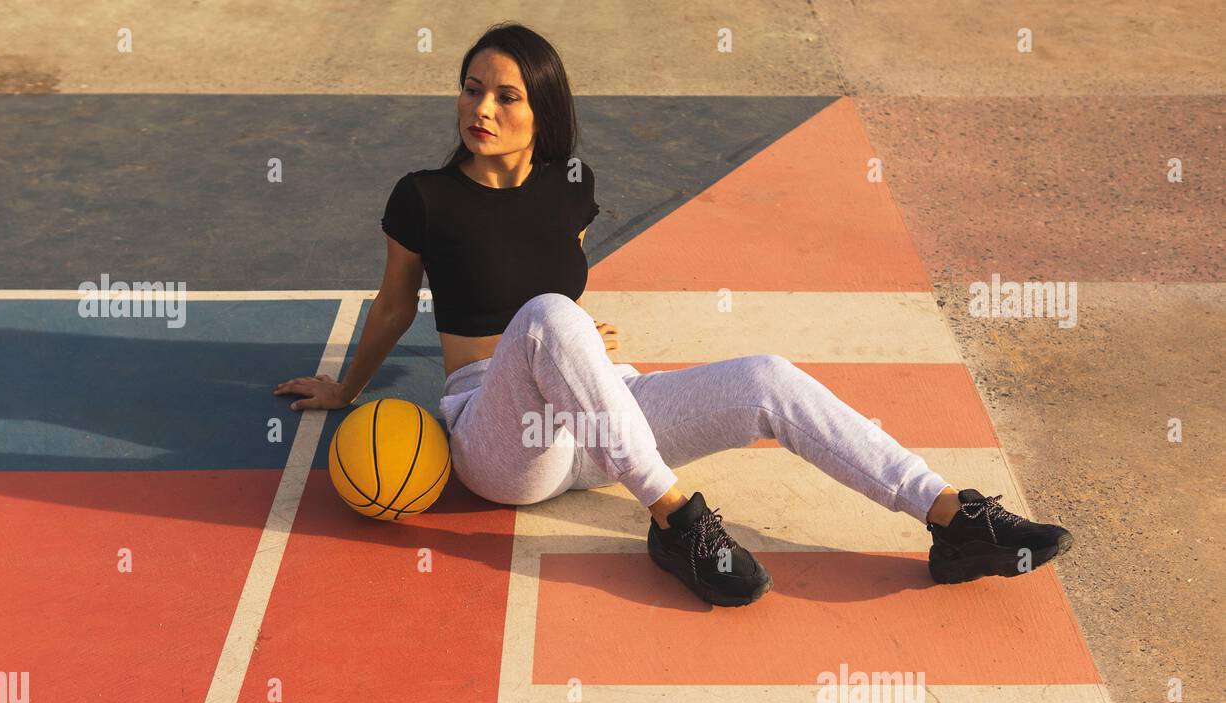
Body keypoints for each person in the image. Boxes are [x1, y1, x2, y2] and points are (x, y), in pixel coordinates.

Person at [275, 22, 1073, 607]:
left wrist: (575, 343)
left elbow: (554, 278)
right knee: (553, 316)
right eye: (472, 88)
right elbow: (393, 305)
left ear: (542, 113)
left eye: (505, 95)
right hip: (497, 432)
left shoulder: (571, 186)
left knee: (766, 378)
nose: (481, 107)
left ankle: (950, 518)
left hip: (598, 412)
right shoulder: (424, 197)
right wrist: (348, 390)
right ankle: (677, 521)